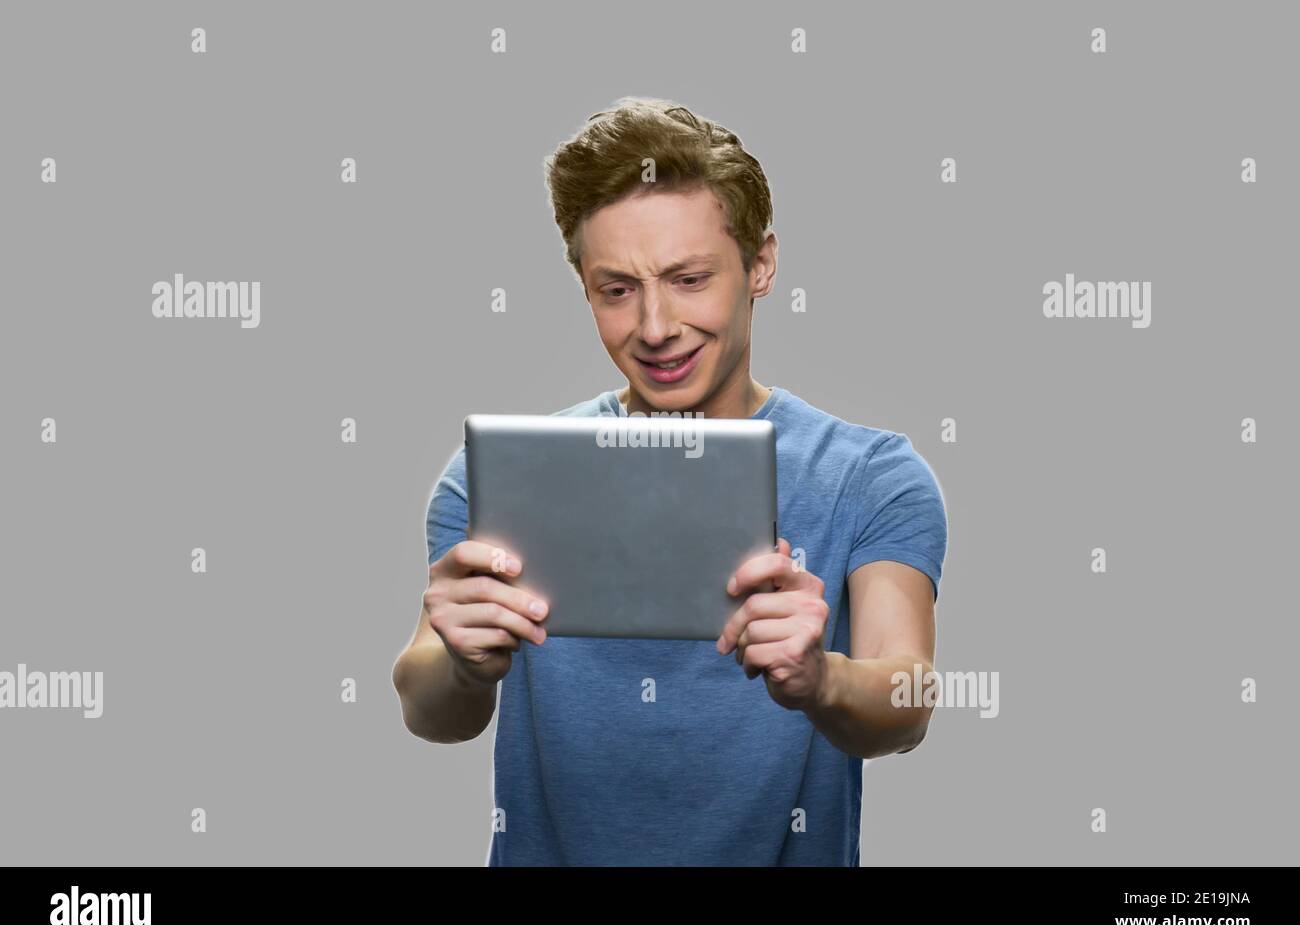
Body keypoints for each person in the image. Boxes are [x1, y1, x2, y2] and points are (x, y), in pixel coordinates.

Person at [392, 96, 948, 866]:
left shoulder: (870, 476)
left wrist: (820, 679)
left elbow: (909, 700)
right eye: (616, 289)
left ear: (761, 264)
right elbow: (432, 710)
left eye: (689, 279)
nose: (654, 327)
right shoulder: (498, 479)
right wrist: (460, 660)